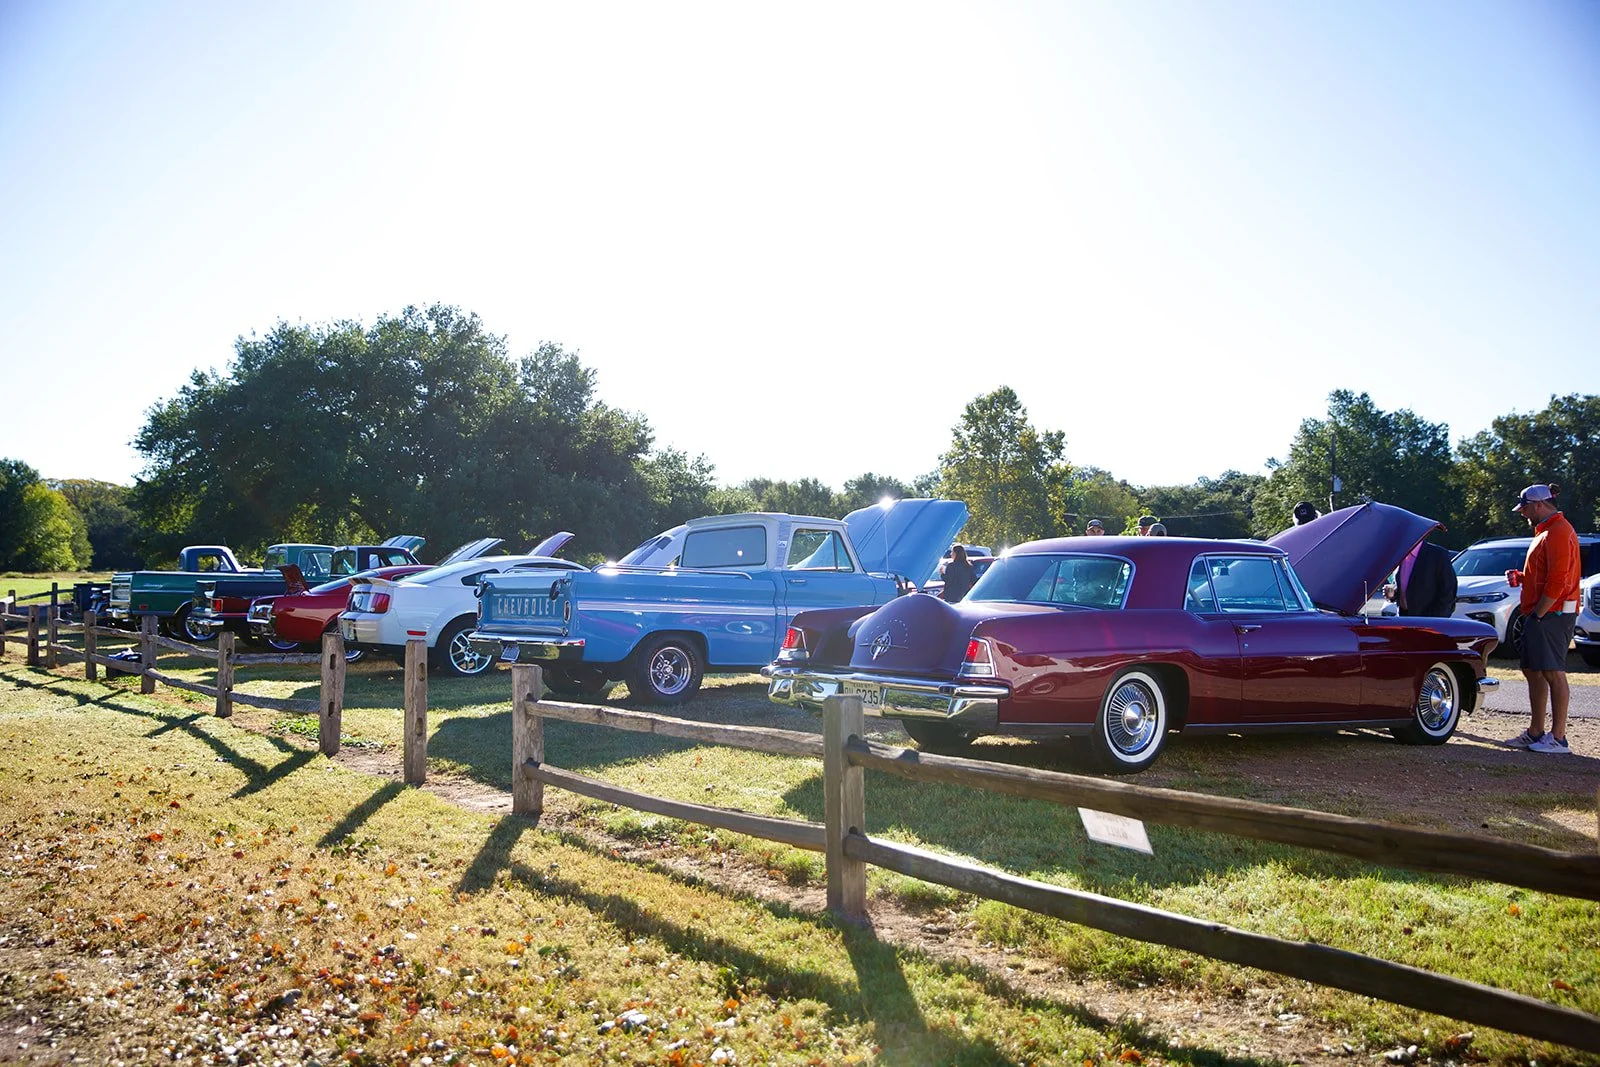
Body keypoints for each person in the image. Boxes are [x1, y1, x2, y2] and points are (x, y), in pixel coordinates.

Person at [1501, 483, 1580, 754]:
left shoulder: (1558, 531)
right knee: (1533, 670)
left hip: (1553, 613)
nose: (1522, 514)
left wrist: (1539, 613)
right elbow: (1546, 574)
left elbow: (1559, 579)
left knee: (1552, 671)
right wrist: (1524, 578)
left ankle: (1558, 738)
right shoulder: (1546, 531)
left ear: (1539, 505)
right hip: (1542, 612)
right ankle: (1536, 732)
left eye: (1524, 508)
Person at [1386, 537, 1457, 617]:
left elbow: (1449, 590)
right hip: (1404, 618)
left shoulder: (1437, 555)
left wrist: (1436, 617)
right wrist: (1393, 593)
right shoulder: (1400, 555)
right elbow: (1408, 587)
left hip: (1429, 621)